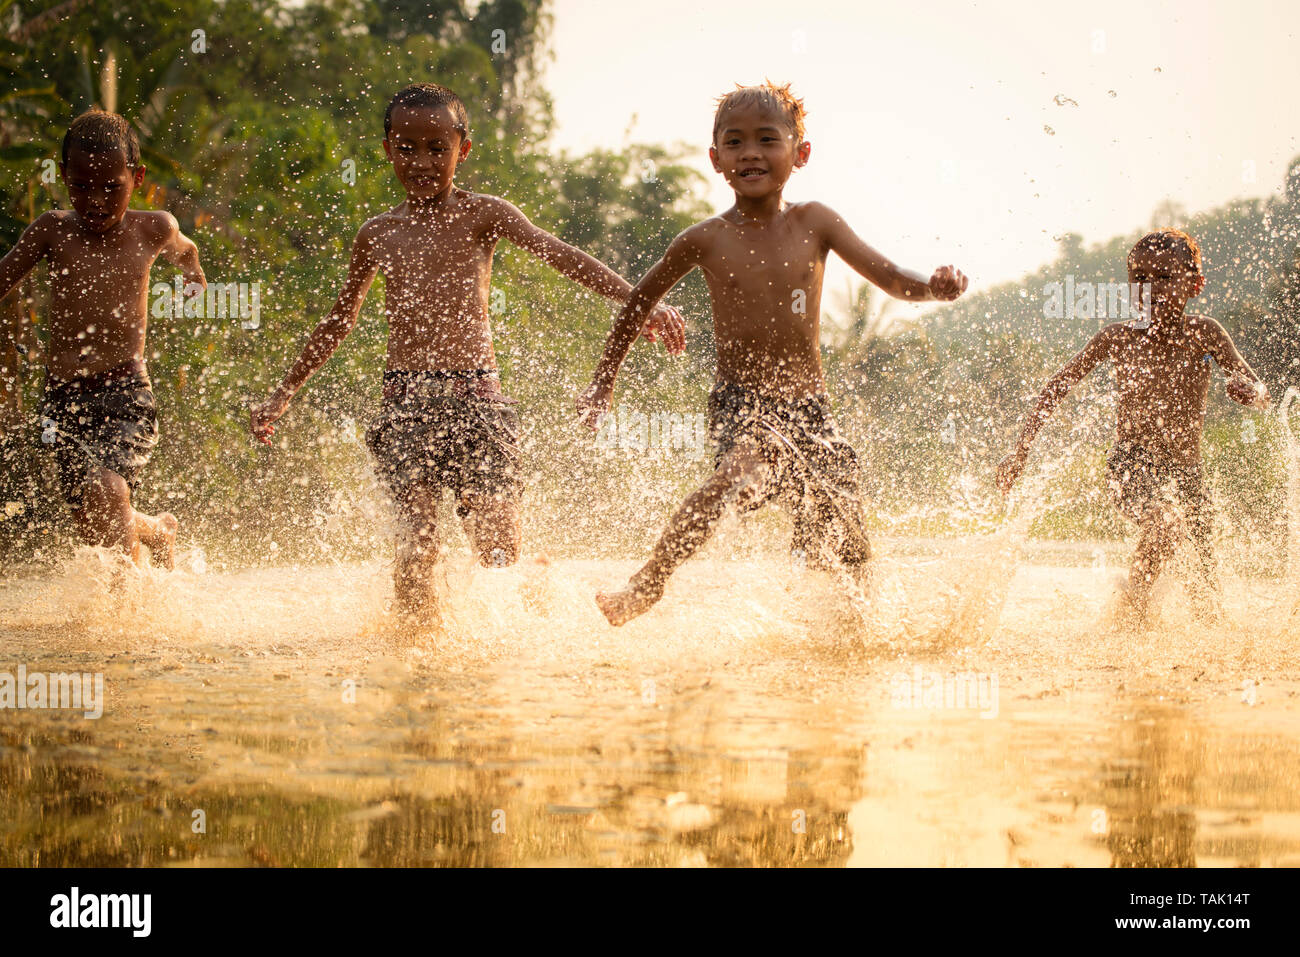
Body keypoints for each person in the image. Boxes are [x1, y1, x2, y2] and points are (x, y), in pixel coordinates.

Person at [250, 83, 683, 625]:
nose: (422, 161)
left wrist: (638, 303)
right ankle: (417, 666)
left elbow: (561, 254)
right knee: (417, 550)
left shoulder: (485, 215)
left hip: (477, 400)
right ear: (388, 150)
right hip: (405, 403)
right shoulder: (379, 234)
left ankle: (527, 600)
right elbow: (340, 320)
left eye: (438, 148)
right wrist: (285, 391)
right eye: (407, 148)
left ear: (463, 149)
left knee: (497, 556)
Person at [576, 82, 967, 626]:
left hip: (812, 411)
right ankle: (649, 581)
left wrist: (932, 287)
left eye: (767, 139)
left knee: (848, 549)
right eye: (735, 143)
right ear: (717, 160)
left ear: (800, 153)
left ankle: (849, 641)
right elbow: (639, 300)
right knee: (741, 471)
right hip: (743, 405)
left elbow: (893, 278)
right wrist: (603, 382)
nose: (751, 153)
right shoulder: (704, 239)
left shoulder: (816, 222)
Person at [997, 228, 1271, 622]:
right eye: (1140, 279)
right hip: (1131, 464)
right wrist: (1019, 451)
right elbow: (1057, 385)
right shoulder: (1118, 338)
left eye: (1163, 277)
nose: (1151, 288)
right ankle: (1133, 614)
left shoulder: (1204, 333)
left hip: (1188, 473)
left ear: (1194, 284)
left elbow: (1260, 390)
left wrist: (1251, 391)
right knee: (1165, 522)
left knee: (1207, 592)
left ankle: (1184, 646)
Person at [0, 109, 207, 569]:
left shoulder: (154, 227)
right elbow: (4, 277)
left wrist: (194, 274)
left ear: (137, 177)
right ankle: (157, 530)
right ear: (64, 178)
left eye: (111, 187)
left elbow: (186, 249)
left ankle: (125, 613)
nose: (94, 200)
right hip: (62, 400)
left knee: (107, 492)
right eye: (80, 186)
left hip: (125, 391)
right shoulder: (52, 230)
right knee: (94, 521)